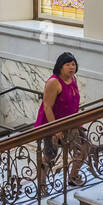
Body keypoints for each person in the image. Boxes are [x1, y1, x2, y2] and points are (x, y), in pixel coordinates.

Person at [35, 52, 88, 188]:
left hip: (71, 123)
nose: (71, 67)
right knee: (50, 155)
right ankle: (41, 184)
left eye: (73, 64)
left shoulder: (73, 78)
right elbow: (47, 107)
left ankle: (73, 176)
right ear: (60, 66)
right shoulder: (54, 82)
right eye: (68, 65)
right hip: (52, 124)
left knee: (84, 147)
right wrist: (56, 129)